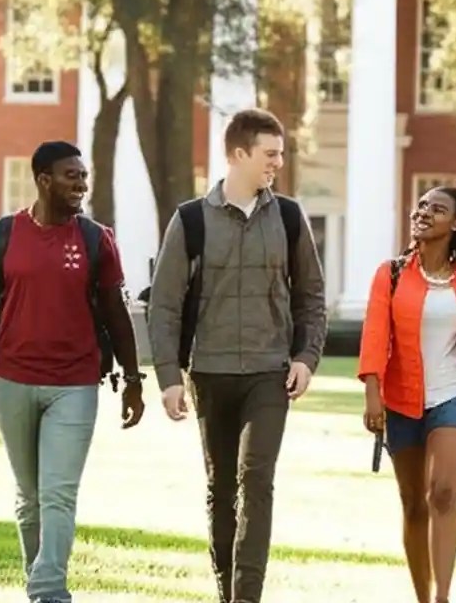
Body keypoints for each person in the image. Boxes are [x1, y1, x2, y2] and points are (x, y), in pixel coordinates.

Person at [0, 140, 146, 603]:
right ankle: (40, 587)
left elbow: (116, 313)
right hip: (12, 382)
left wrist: (133, 380)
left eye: (84, 176)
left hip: (75, 385)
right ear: (43, 179)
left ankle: (49, 591)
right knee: (29, 497)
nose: (81, 184)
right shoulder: (0, 236)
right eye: (72, 176)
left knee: (58, 494)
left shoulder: (96, 240)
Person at [146, 108, 327, 603]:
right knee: (222, 488)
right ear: (238, 154)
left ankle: (247, 597)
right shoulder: (190, 220)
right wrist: (169, 377)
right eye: (270, 154)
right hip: (210, 371)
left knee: (257, 479)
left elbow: (311, 296)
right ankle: (227, 592)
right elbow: (164, 304)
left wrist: (305, 357)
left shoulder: (289, 217)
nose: (278, 163)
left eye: (281, 154)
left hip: (270, 373)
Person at [358, 186, 456, 603]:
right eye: (422, 205)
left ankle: (443, 596)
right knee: (413, 503)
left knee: (442, 491)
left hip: (453, 398)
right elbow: (375, 335)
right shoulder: (390, 274)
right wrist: (372, 393)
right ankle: (423, 597)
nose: (424, 212)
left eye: (437, 209)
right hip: (401, 400)